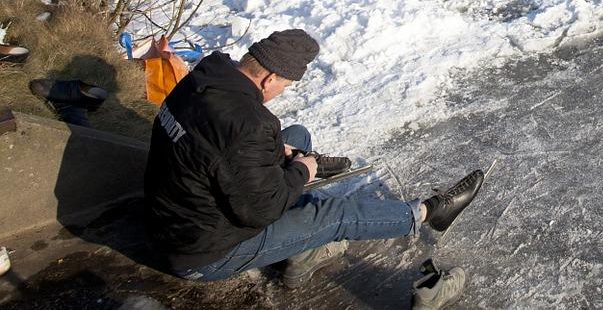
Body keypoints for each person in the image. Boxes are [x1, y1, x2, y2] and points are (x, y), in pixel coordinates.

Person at [143, 29, 484, 294]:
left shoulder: (205, 78)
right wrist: (303, 171)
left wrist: (287, 156)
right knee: (335, 214)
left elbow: (218, 149)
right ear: (269, 79)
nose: (281, 93)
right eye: (285, 86)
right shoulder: (248, 124)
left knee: (296, 135)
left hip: (178, 213)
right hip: (203, 253)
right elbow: (262, 208)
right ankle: (428, 213)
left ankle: (299, 252)